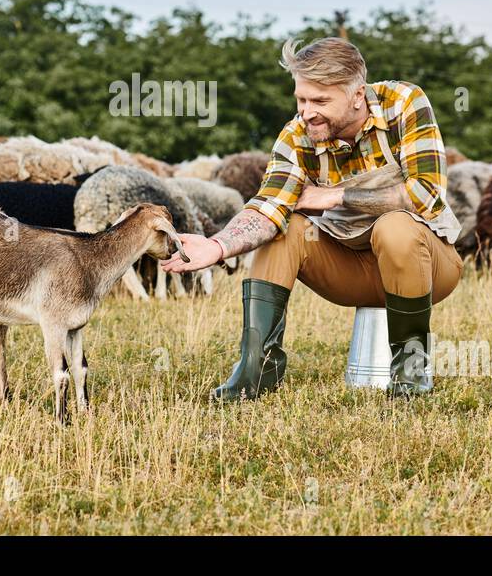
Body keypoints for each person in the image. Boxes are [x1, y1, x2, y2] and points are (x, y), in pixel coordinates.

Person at [160, 36, 463, 398]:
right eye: (301, 100)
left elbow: (426, 194)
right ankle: (256, 373)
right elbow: (268, 206)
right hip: (349, 269)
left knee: (395, 226)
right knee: (285, 228)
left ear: (357, 95)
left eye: (320, 101)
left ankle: (411, 377)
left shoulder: (404, 104)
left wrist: (337, 195)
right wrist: (217, 246)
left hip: (426, 267)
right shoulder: (297, 135)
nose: (307, 112)